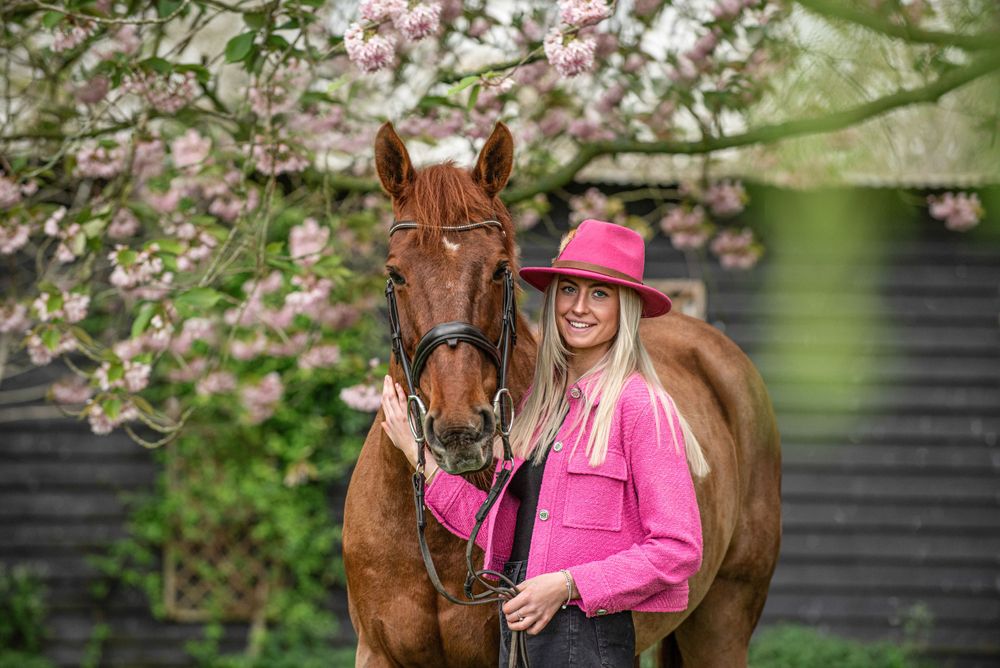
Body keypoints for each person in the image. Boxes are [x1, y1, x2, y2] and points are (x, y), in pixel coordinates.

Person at [380, 219, 707, 667]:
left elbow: (678, 549)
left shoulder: (641, 407)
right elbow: (499, 529)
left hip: (587, 641)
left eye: (599, 294)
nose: (579, 308)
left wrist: (568, 584)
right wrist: (421, 461)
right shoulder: (540, 410)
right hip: (519, 639)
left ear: (625, 307)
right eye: (568, 290)